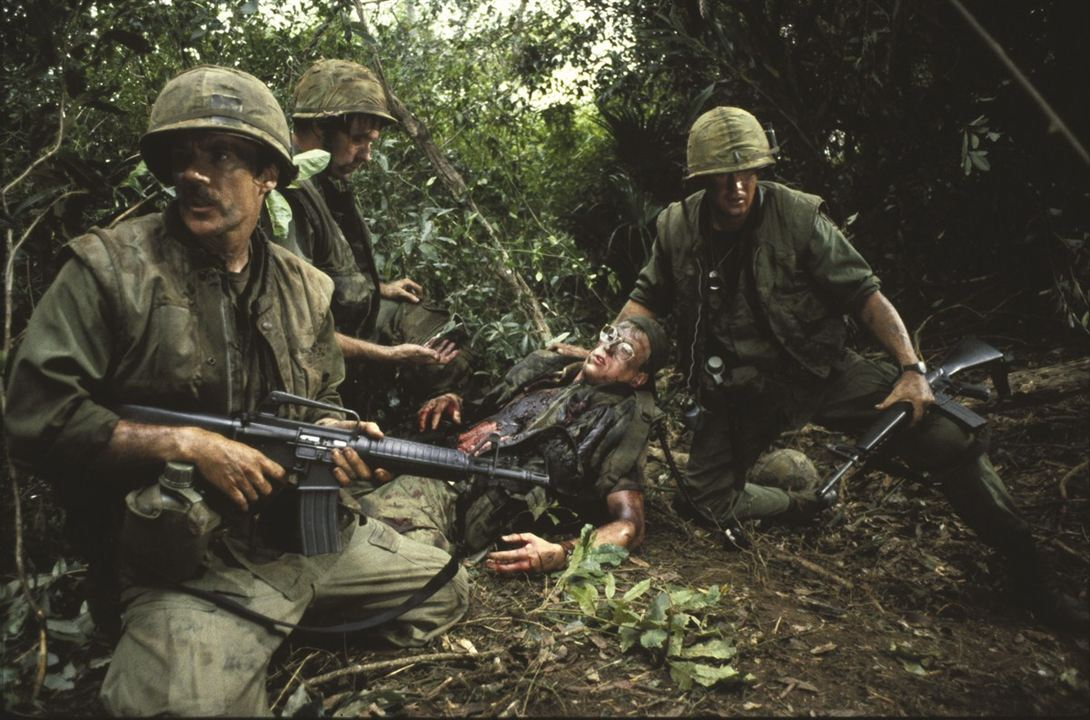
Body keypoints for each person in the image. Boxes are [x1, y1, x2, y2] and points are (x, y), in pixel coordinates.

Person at [3, 65, 468, 716]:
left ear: (267, 175)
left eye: (222, 156)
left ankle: (261, 633)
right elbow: (33, 416)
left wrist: (340, 438)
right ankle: (215, 644)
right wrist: (184, 442)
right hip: (187, 565)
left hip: (302, 546)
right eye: (182, 158)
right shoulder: (108, 271)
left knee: (445, 589)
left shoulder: (306, 290)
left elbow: (324, 402)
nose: (196, 173)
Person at [614, 105, 1087, 630]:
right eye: (723, 176)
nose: (738, 187)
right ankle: (801, 505)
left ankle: (1032, 580)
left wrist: (911, 369)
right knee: (704, 502)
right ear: (702, 179)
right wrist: (610, 349)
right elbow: (643, 302)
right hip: (741, 391)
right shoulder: (676, 227)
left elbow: (867, 299)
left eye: (748, 172)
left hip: (822, 370)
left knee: (949, 438)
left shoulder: (797, 217)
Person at [357, 317, 671, 574]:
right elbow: (492, 409)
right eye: (610, 335)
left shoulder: (618, 422)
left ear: (638, 378)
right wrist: (456, 401)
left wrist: (560, 554)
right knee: (339, 495)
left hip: (455, 496)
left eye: (625, 350)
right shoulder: (551, 369)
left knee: (361, 547)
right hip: (425, 456)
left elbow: (630, 527)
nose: (608, 347)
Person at [276, 58, 470, 429]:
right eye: (358, 139)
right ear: (319, 127)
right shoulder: (287, 192)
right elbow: (296, 333)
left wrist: (380, 288)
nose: (366, 154)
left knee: (443, 335)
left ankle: (443, 406)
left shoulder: (323, 178)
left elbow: (323, 274)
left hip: (353, 319)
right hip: (317, 359)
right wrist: (389, 355)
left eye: (371, 141)